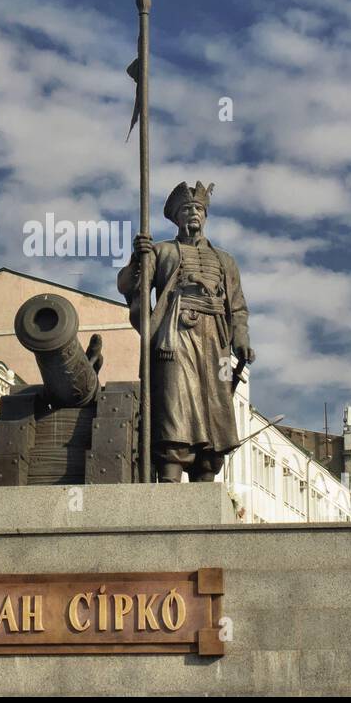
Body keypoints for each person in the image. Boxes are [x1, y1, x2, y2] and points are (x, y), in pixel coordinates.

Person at [116, 180, 254, 482]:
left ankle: (206, 472)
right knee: (174, 404)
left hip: (216, 341)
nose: (194, 214)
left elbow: (239, 308)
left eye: (199, 209)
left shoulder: (225, 260)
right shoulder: (161, 252)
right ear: (177, 216)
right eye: (188, 209)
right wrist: (137, 260)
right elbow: (129, 287)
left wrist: (240, 339)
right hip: (174, 338)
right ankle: (170, 475)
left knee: (215, 410)